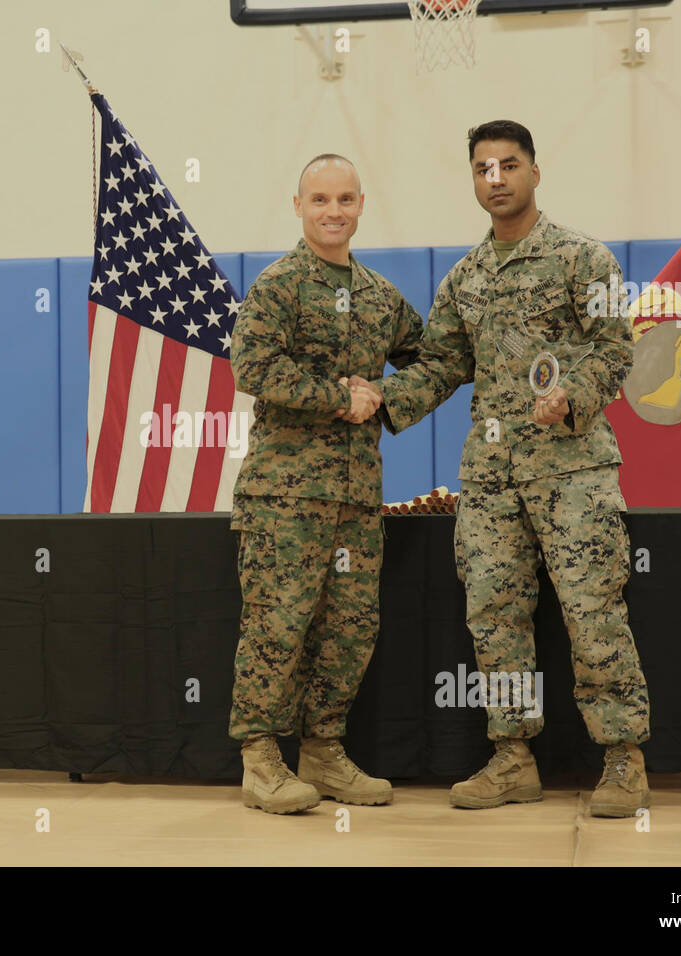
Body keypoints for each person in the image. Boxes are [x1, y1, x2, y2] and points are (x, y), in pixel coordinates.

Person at [362, 120, 651, 817]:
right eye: (483, 168)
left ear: (535, 172)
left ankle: (623, 759)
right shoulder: (466, 278)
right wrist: (378, 400)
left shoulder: (586, 259)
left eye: (509, 165)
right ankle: (513, 758)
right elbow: (441, 364)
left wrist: (572, 395)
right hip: (491, 481)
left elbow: (616, 347)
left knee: (592, 614)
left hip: (573, 472)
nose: (496, 178)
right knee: (496, 619)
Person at [229, 153, 423, 814]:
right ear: (298, 206)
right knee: (277, 627)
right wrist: (336, 398)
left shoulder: (379, 296)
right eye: (320, 200)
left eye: (344, 199)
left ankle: (324, 752)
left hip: (355, 497)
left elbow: (433, 356)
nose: (333, 211)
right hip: (285, 496)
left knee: (349, 628)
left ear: (362, 204)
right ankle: (261, 761)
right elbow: (249, 364)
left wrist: (391, 400)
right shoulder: (280, 284)